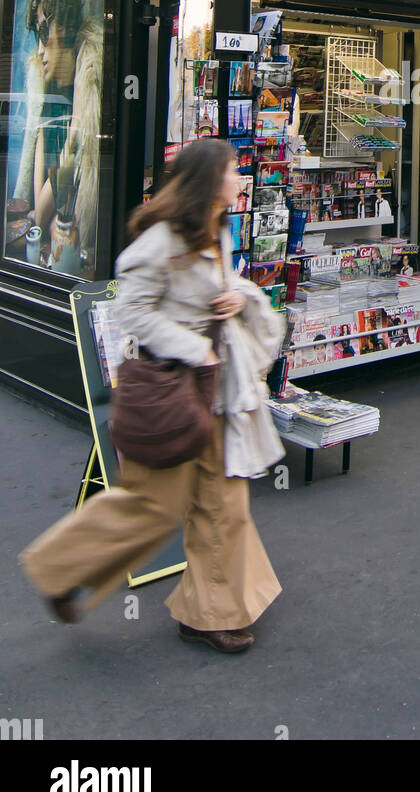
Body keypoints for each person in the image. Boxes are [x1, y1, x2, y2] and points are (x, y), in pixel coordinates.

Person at [19, 139, 285, 654]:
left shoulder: (215, 230)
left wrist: (234, 295)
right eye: (233, 170)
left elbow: (207, 292)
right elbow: (133, 313)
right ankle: (58, 569)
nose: (241, 178)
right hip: (174, 390)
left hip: (217, 392)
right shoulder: (160, 240)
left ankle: (209, 614)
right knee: (153, 507)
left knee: (224, 505)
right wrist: (194, 348)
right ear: (210, 180)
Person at [11, 0, 103, 273]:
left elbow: (75, 150)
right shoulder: (47, 94)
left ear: (61, 26)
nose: (39, 50)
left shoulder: (87, 72)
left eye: (43, 32)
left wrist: (39, 217)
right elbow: (43, 181)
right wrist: (37, 218)